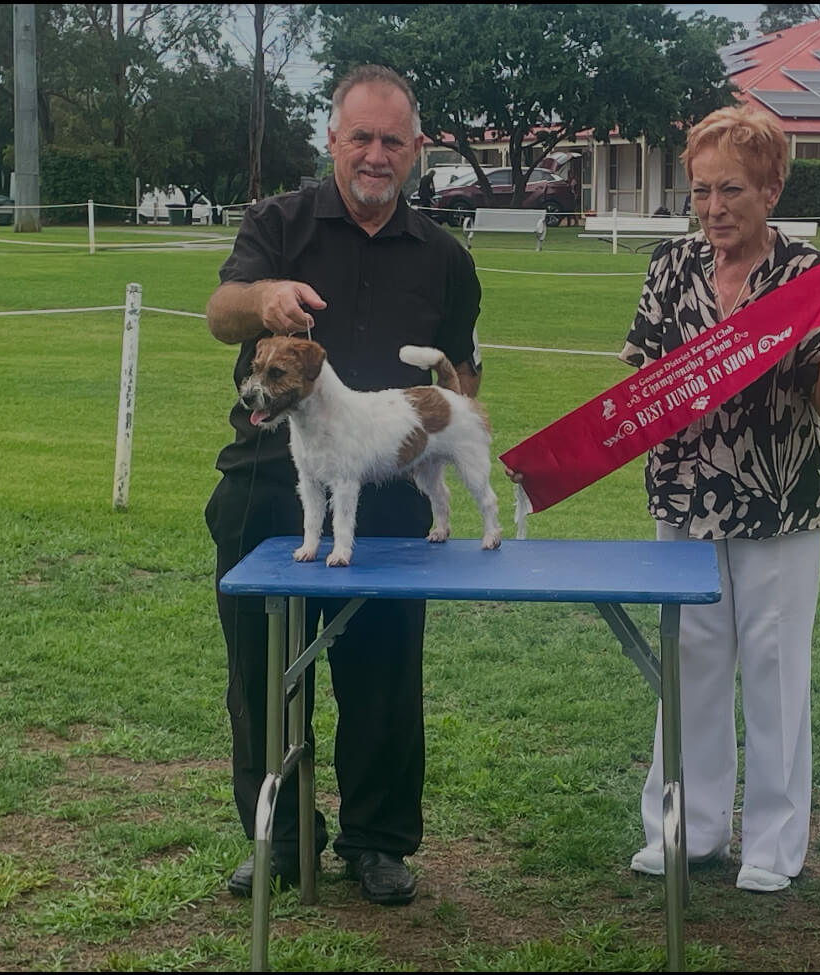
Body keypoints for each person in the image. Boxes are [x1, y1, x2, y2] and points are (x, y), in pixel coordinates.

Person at [203, 64, 482, 907]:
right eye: (360, 136)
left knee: (384, 676)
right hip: (269, 484)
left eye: (392, 140)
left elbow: (460, 370)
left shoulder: (445, 257)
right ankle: (281, 839)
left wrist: (456, 437)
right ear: (332, 139)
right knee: (262, 677)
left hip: (389, 494)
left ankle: (377, 841)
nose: (375, 154)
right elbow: (220, 312)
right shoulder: (277, 222)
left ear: (416, 149)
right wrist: (266, 297)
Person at [618, 104, 820, 893]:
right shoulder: (670, 267)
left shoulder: (812, 278)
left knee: (773, 669)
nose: (712, 208)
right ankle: (686, 829)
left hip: (779, 504)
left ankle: (771, 845)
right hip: (682, 500)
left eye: (730, 189)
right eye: (700, 190)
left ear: (770, 190)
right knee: (688, 666)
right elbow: (641, 383)